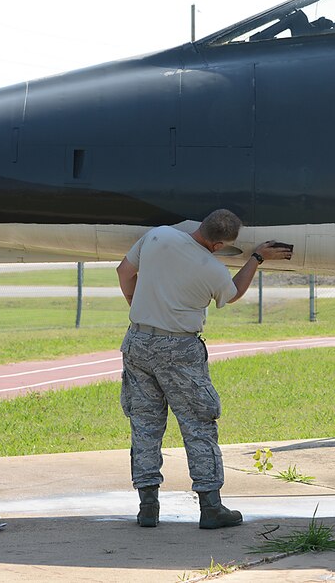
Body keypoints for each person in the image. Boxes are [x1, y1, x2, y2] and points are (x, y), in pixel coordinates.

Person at [115, 209, 292, 529]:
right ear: (219, 245)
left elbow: (124, 272)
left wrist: (138, 305)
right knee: (198, 425)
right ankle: (210, 507)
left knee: (144, 425)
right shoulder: (213, 269)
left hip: (137, 341)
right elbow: (233, 293)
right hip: (179, 349)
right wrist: (256, 258)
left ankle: (148, 507)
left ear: (201, 225)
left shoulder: (159, 235)